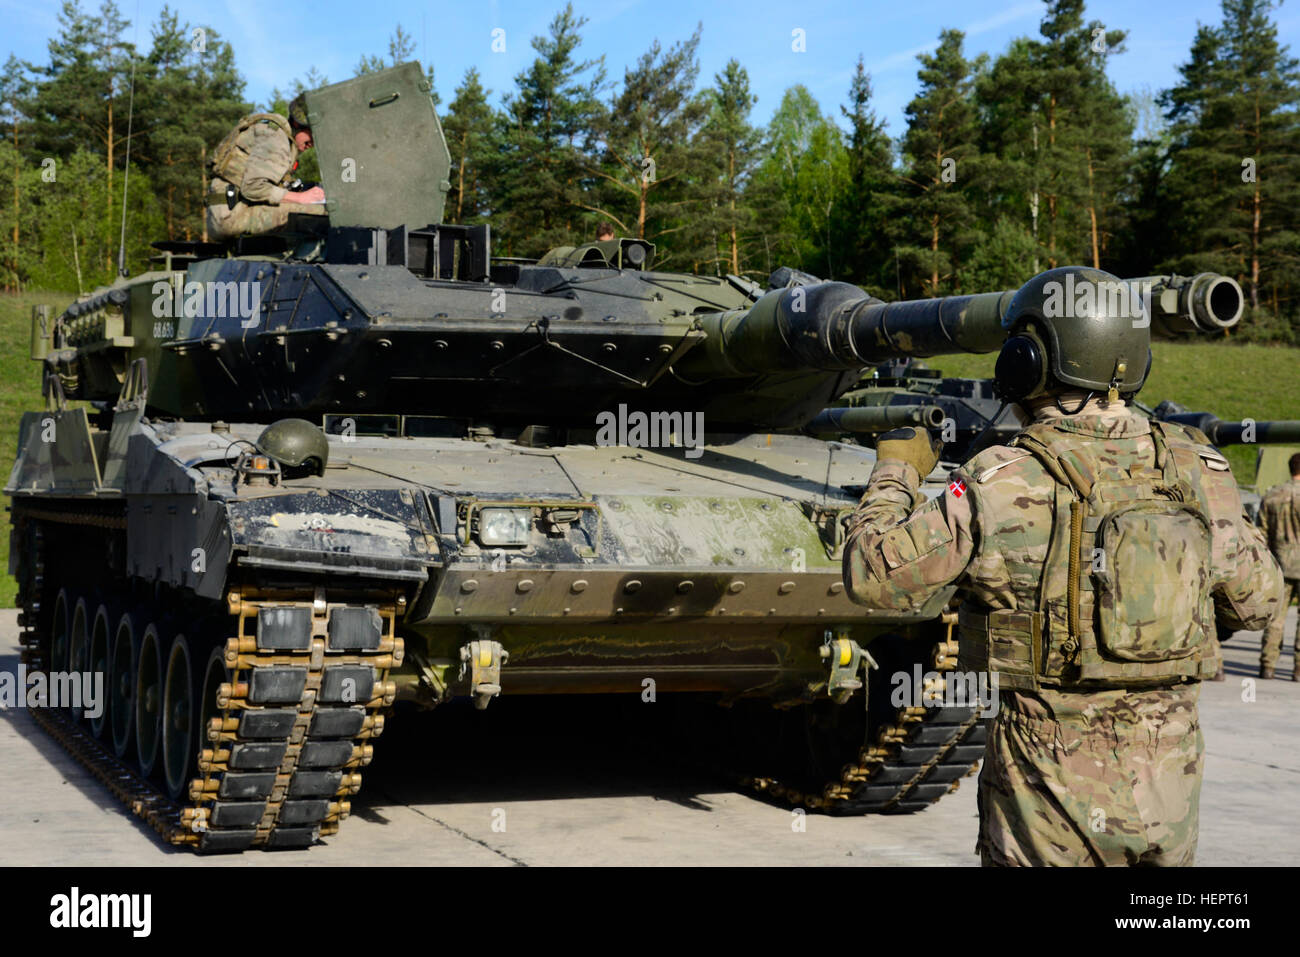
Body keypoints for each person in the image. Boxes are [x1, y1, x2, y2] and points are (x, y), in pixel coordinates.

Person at [842, 266, 1282, 867]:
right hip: (1167, 789)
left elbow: (874, 576)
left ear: (1029, 361)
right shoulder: (1198, 467)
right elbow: (1257, 601)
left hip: (1047, 795)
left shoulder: (1002, 479)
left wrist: (896, 470)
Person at [206, 93, 327, 242]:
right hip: (232, 217)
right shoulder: (278, 137)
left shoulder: (276, 134)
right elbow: (253, 188)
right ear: (297, 124)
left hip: (226, 214)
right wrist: (301, 198)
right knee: (324, 214)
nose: (314, 142)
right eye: (313, 133)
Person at [1257, 452, 1300, 679]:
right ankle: (1298, 669)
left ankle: (1268, 665)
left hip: (1279, 563)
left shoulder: (1272, 495)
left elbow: (1260, 534)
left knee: (1276, 618)